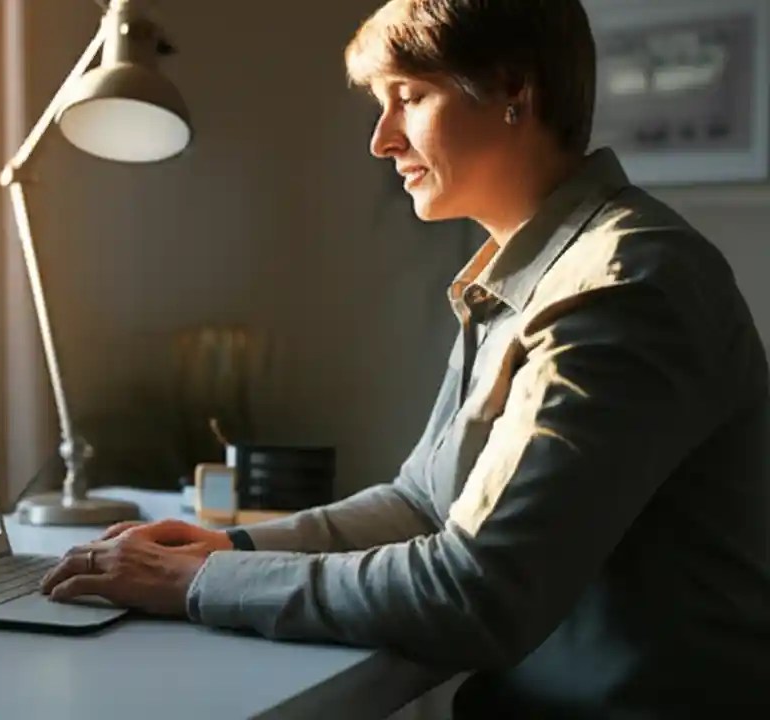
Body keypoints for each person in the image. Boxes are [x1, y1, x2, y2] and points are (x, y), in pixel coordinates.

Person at [38, 0, 770, 716]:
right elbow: (421, 502)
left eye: (409, 97)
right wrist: (227, 544)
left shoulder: (622, 287)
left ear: (516, 88)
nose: (381, 139)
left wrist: (203, 580)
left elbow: (478, 591)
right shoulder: (529, 272)